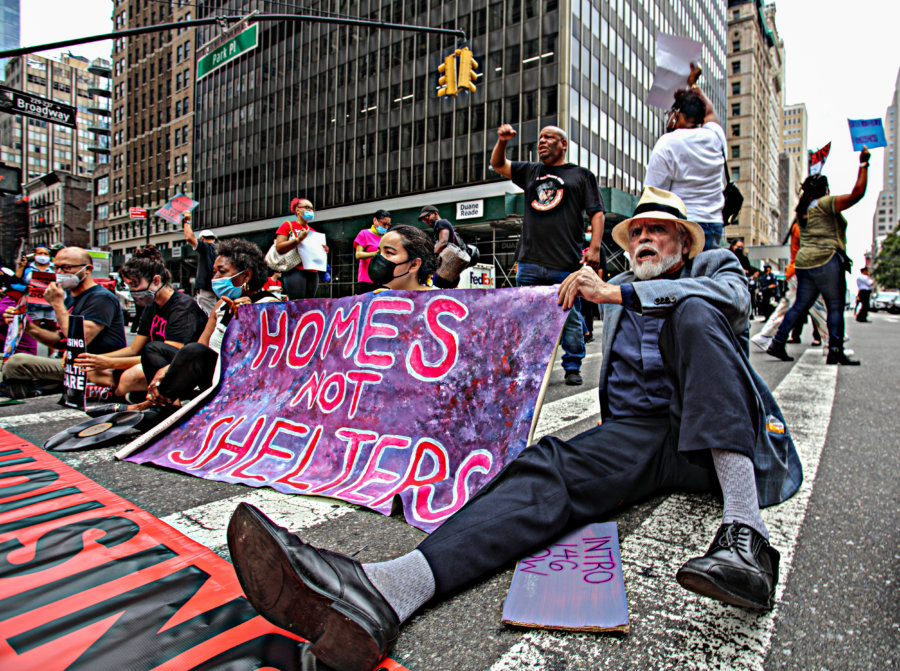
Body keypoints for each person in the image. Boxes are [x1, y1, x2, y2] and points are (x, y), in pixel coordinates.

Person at [226, 187, 801, 671]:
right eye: (639, 231)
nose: (646, 238)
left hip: (718, 433)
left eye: (660, 230)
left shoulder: (709, 269)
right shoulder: (618, 296)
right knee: (550, 464)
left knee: (697, 314)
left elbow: (729, 300)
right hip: (647, 437)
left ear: (684, 241)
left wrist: (617, 291)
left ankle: (745, 539)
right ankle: (387, 590)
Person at [490, 123, 606, 385]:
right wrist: (502, 141)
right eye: (540, 138)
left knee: (570, 317)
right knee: (528, 318)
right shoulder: (531, 171)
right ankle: (530, 367)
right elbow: (498, 164)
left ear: (563, 144)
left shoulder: (581, 175)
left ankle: (572, 366)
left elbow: (597, 212)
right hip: (529, 262)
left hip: (565, 263)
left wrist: (596, 247)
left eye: (549, 138)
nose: (541, 141)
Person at [765, 147, 870, 365]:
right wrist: (863, 164)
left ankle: (777, 342)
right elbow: (857, 194)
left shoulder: (802, 210)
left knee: (800, 305)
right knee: (834, 306)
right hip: (826, 260)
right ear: (825, 189)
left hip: (805, 264)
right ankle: (835, 350)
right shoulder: (825, 204)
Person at [144, 239, 280, 406]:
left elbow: (263, 354)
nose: (215, 278)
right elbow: (203, 344)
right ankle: (168, 402)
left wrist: (249, 315)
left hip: (238, 379)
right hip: (210, 371)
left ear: (246, 275)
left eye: (222, 272)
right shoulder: (221, 305)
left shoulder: (269, 305)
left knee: (194, 351)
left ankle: (162, 401)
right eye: (214, 272)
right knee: (153, 349)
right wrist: (167, 370)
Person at [75, 245, 206, 398]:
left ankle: (118, 393)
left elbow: (169, 356)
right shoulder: (152, 307)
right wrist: (96, 360)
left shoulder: (182, 307)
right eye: (129, 285)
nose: (132, 291)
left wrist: (108, 363)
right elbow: (133, 349)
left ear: (156, 280)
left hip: (178, 366)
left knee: (130, 376)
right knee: (94, 372)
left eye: (134, 284)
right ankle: (124, 392)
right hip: (150, 362)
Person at [1, 247, 126, 398]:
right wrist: (28, 328)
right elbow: (61, 340)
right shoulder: (72, 298)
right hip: (73, 364)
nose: (60, 273)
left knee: (17, 362)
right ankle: (39, 387)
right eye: (56, 267)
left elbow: (79, 339)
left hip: (95, 367)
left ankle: (40, 387)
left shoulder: (100, 298)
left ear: (87, 269)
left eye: (67, 267)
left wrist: (57, 304)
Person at [645, 63, 726, 251]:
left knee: (683, 280)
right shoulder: (715, 136)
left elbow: (653, 197)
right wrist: (694, 85)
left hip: (684, 226)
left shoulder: (668, 143)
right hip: (714, 224)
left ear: (677, 114)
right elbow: (711, 112)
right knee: (706, 277)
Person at [751, 219, 829, 354]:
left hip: (800, 271)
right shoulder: (805, 224)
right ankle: (833, 341)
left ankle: (832, 340)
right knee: (814, 306)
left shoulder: (803, 222)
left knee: (803, 306)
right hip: (803, 271)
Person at [274, 198, 327, 300]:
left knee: (309, 304)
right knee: (297, 303)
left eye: (312, 208)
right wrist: (298, 240)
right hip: (295, 270)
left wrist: (324, 250)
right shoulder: (287, 225)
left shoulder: (312, 231)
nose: (310, 211)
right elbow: (279, 247)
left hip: (312, 271)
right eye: (307, 207)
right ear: (297, 210)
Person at [367, 224, 436, 292]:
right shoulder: (383, 298)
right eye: (379, 252)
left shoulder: (440, 300)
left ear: (414, 264)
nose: (379, 257)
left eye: (388, 252)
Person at [182, 212, 217, 314]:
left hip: (206, 289)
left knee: (209, 318)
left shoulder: (205, 246)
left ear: (202, 239)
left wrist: (186, 221)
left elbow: (189, 238)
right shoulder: (220, 248)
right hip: (218, 289)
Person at [353, 209, 391, 294]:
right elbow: (358, 254)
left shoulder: (388, 237)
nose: (386, 227)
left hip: (384, 279)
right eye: (384, 224)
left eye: (388, 225)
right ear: (375, 220)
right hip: (367, 279)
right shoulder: (364, 234)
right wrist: (375, 253)